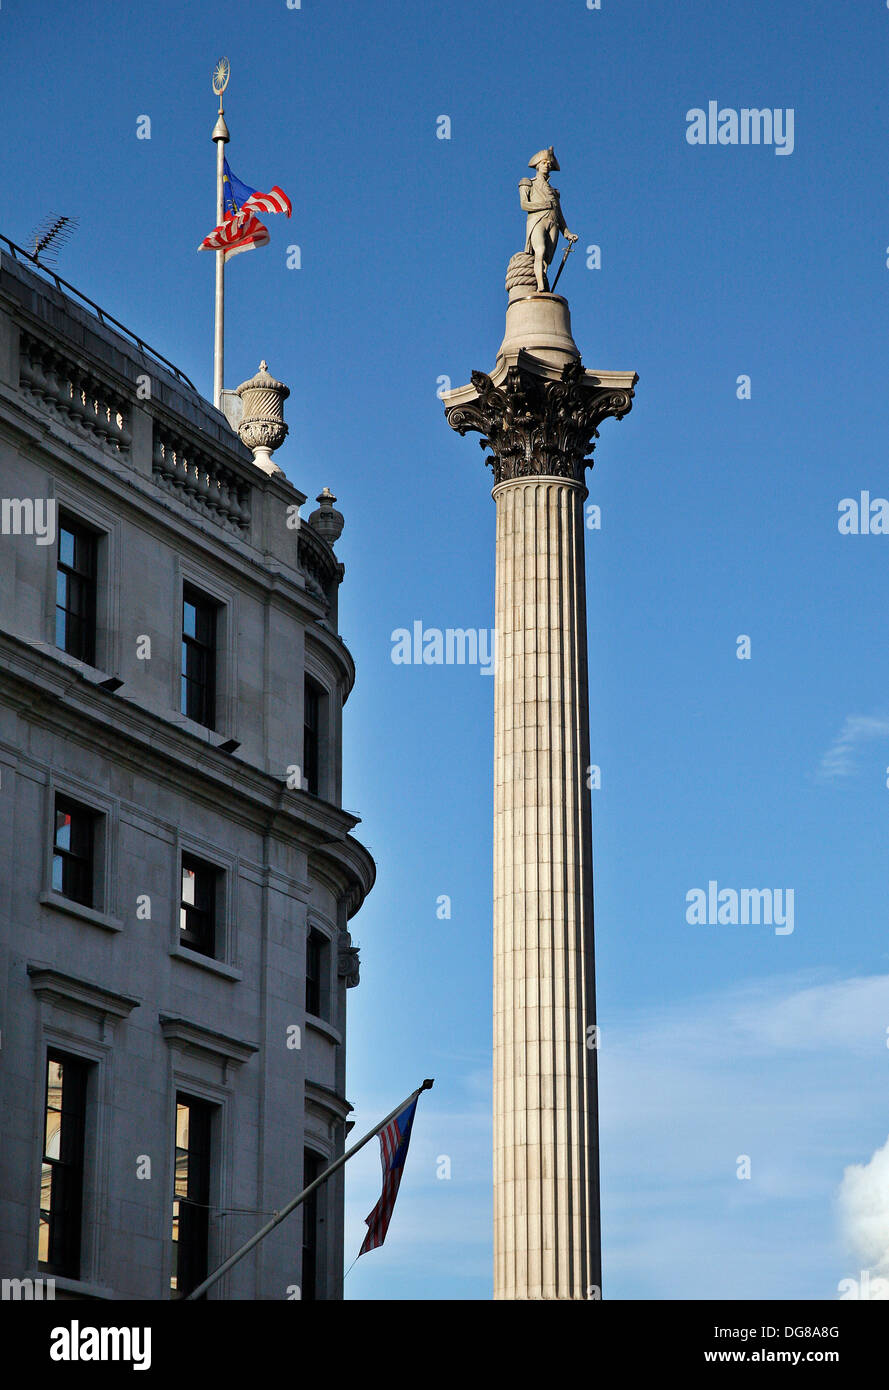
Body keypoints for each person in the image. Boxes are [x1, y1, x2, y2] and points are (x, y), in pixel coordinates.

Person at [519, 147, 578, 293]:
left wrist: (567, 233)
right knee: (540, 250)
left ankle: (543, 284)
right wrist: (544, 205)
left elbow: (559, 215)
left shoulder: (554, 192)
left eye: (549, 164)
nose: (547, 165)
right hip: (537, 220)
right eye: (544, 162)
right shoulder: (528, 182)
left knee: (547, 260)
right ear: (537, 165)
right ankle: (539, 286)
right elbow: (524, 205)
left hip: (553, 223)